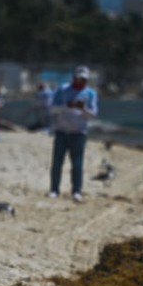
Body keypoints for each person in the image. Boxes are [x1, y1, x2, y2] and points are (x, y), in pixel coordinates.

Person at [49, 65, 98, 202]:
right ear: (74, 78)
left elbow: (93, 115)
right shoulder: (63, 90)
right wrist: (67, 106)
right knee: (57, 162)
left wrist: (83, 109)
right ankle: (54, 189)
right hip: (62, 131)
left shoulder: (90, 93)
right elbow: (53, 109)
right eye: (80, 79)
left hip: (79, 132)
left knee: (77, 163)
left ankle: (76, 190)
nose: (82, 82)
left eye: (84, 80)